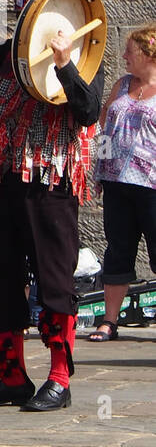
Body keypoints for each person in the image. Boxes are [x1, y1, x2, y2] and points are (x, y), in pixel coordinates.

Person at [0, 0, 105, 412]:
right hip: (5, 176)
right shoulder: (10, 56)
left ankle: (59, 377)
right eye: (22, 14)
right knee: (2, 273)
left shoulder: (85, 54)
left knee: (54, 276)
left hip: (51, 179)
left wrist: (65, 64)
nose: (24, 21)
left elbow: (88, 110)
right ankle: (12, 375)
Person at [88, 24, 156, 341]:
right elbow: (105, 123)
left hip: (152, 185)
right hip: (117, 184)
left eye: (131, 51)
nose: (125, 56)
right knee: (117, 250)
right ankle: (110, 321)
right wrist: (101, 167)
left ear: (148, 54)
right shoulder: (122, 84)